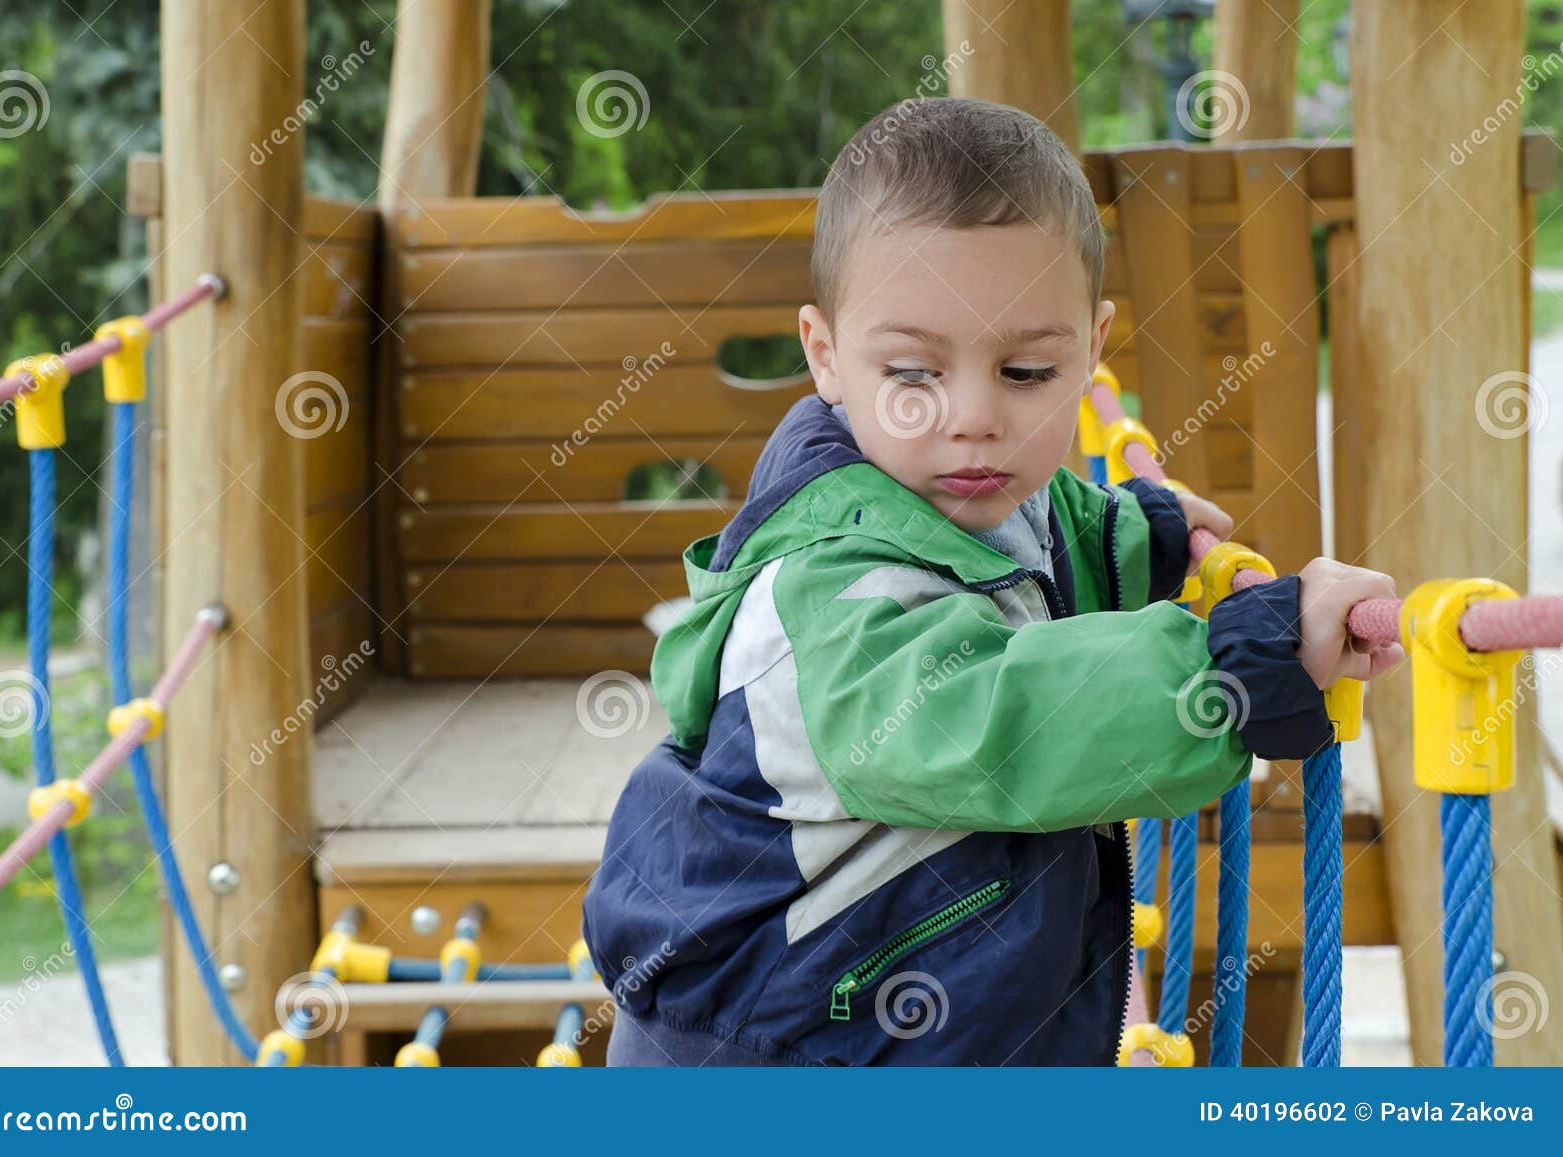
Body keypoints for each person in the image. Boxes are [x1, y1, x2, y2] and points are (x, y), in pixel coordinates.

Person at [582, 96, 1403, 1066]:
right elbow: (1000, 713)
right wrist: (1235, 660)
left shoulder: (957, 489)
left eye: (1023, 371)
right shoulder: (826, 597)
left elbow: (1042, 536)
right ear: (824, 356)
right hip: (762, 1049)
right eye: (913, 372)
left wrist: (1139, 537)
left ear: (1092, 349)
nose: (972, 417)